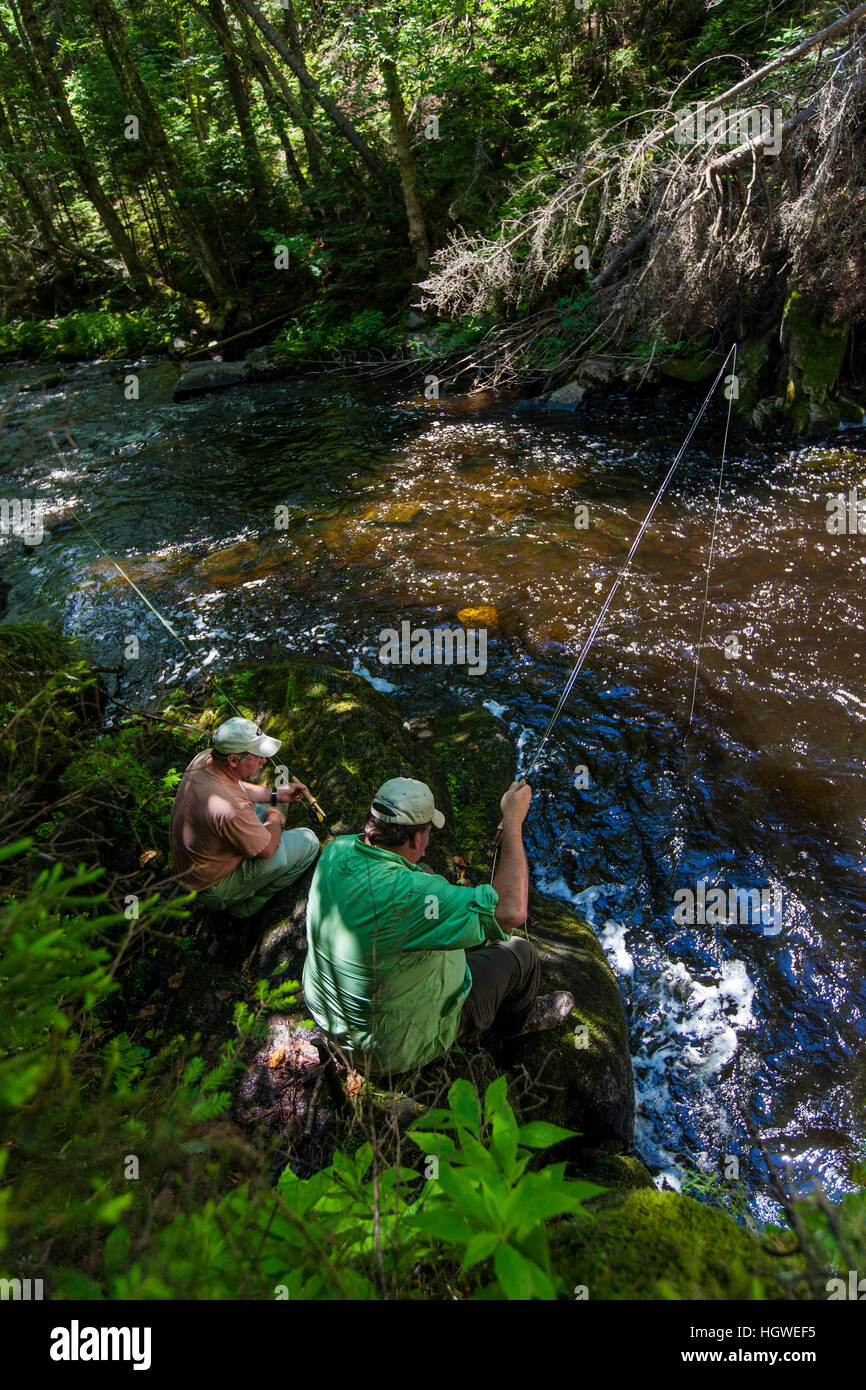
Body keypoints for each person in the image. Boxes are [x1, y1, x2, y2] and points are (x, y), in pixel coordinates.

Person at [302, 775, 573, 1076]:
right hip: (387, 1050)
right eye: (428, 832)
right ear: (417, 838)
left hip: (332, 1020)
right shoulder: (413, 895)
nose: (428, 840)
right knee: (522, 955)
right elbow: (512, 911)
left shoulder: (337, 849)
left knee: (425, 871)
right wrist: (512, 821)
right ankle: (517, 1023)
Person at [170, 716, 320, 917]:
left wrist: (276, 793)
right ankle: (247, 905)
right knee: (309, 842)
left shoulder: (206, 758)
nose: (264, 760)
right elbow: (266, 850)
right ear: (233, 760)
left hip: (196, 867)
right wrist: (274, 818)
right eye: (258, 756)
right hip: (215, 886)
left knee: (275, 803)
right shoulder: (232, 808)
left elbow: (235, 786)